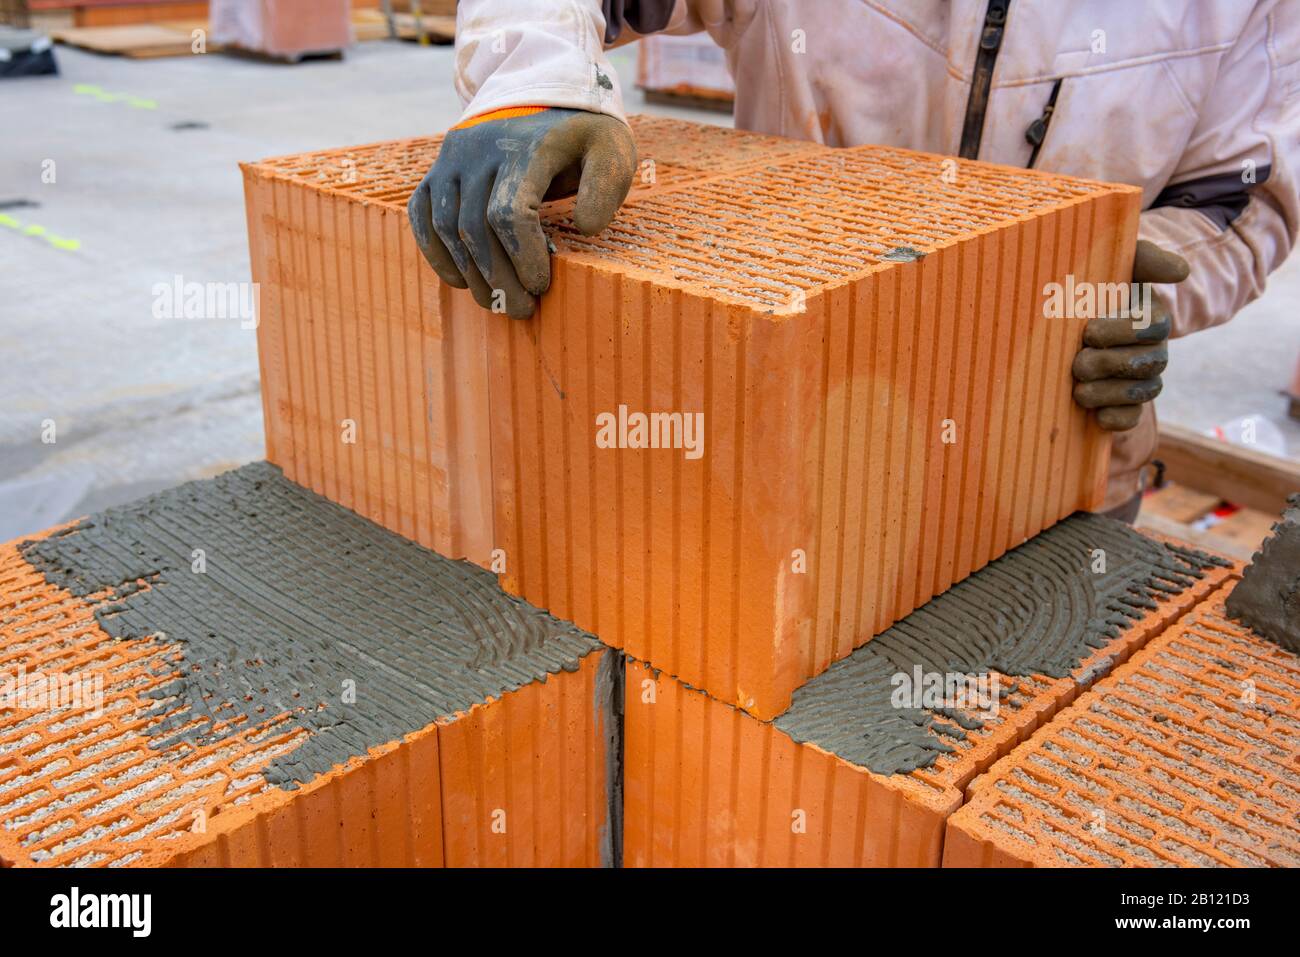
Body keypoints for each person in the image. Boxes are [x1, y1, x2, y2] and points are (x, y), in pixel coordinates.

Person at [407, 0, 1299, 519]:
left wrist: (1146, 290)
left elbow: (1243, 194)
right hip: (786, 423)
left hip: (1056, 445)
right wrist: (534, 79)